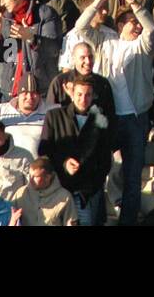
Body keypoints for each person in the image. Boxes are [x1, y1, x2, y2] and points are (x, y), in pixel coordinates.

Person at [38, 70, 114, 226]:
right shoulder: (54, 116)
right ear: (71, 94)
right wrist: (64, 164)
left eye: (87, 95)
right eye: (79, 94)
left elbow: (105, 158)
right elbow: (44, 152)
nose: (83, 99)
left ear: (93, 96)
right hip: (57, 189)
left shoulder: (100, 121)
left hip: (86, 193)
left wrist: (93, 186)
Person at [17, 156, 77, 226]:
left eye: (35, 176)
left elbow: (71, 222)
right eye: (30, 175)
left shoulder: (64, 196)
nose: (31, 180)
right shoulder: (21, 193)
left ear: (47, 177)